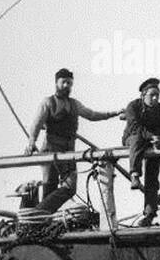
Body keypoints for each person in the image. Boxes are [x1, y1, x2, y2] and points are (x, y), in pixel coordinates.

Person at [24, 68, 122, 214]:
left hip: (69, 150)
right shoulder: (48, 102)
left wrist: (112, 114)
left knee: (70, 188)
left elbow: (92, 115)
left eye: (69, 83)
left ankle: (37, 213)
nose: (66, 86)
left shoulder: (74, 104)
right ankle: (41, 218)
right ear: (56, 83)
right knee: (49, 187)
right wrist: (31, 142)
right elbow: (36, 124)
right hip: (50, 150)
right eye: (64, 82)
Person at [122, 77, 160, 227]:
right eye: (152, 95)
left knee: (152, 175)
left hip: (152, 144)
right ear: (143, 95)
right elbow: (134, 127)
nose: (155, 98)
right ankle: (135, 174)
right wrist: (152, 136)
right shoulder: (133, 106)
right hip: (132, 139)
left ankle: (150, 214)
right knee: (137, 139)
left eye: (158, 95)